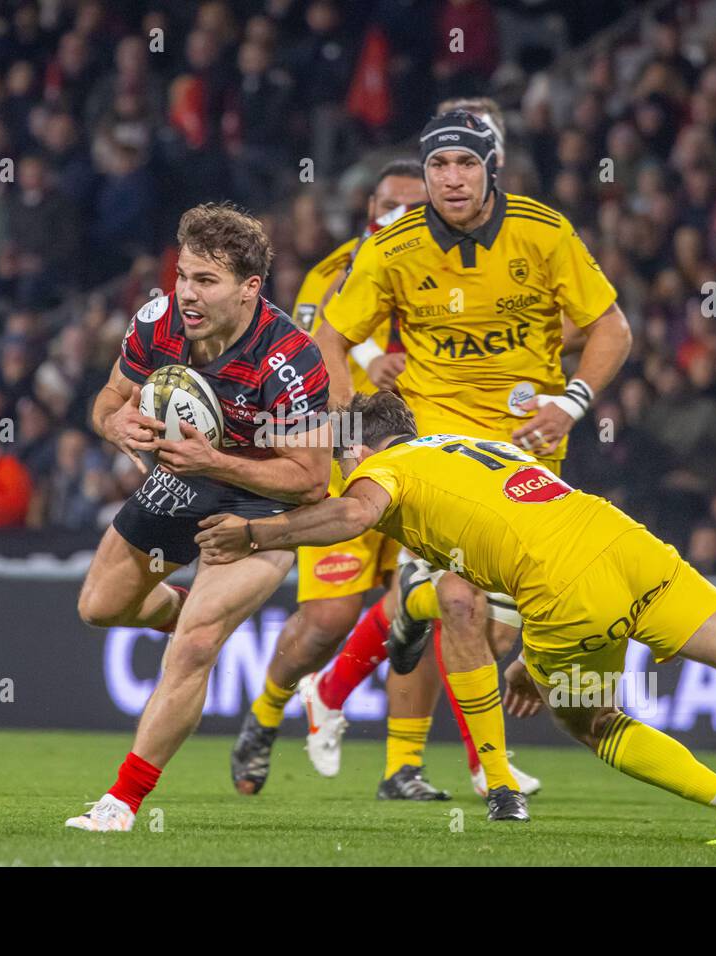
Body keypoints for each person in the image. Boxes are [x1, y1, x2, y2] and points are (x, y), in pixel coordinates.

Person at [197, 391, 716, 836]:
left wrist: (258, 533)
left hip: (565, 588)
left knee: (590, 720)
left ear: (362, 449)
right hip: (625, 542)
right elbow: (497, 554)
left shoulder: (387, 469)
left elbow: (350, 515)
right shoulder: (469, 446)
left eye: (344, 459)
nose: (342, 472)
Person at [312, 109, 632, 803]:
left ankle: (405, 610)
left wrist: (571, 403)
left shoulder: (544, 232)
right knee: (462, 604)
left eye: (465, 163)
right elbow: (330, 334)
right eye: (438, 165)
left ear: (492, 168)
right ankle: (493, 779)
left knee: (494, 633)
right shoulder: (393, 247)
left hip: (527, 445)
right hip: (435, 444)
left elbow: (612, 326)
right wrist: (342, 430)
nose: (452, 179)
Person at [65, 203, 332, 832]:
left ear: (249, 288)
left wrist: (217, 460)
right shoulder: (157, 322)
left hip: (262, 501)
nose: (186, 292)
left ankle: (120, 803)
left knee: (194, 648)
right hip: (182, 477)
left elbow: (312, 479)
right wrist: (115, 424)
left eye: (206, 281)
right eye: (184, 275)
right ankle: (198, 613)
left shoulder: (290, 358)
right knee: (99, 607)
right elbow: (108, 399)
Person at [232, 158, 463, 800]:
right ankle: (266, 714)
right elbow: (308, 360)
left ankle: (403, 768)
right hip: (350, 460)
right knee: (330, 618)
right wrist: (340, 442)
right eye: (391, 205)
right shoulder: (331, 275)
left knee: (419, 607)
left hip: (420, 463)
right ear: (370, 210)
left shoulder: (445, 269)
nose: (402, 216)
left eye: (415, 207)